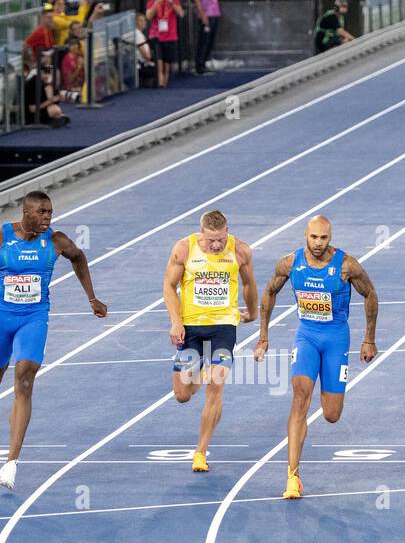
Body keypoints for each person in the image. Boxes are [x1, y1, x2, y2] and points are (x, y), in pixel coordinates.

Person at [0, 191, 108, 490]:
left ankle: (11, 462)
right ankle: (14, 415)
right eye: (42, 212)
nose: (48, 218)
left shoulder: (56, 241)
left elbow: (79, 258)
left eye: (50, 212)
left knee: (24, 378)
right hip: (1, 319)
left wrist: (92, 297)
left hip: (34, 319)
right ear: (26, 212)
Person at [253, 216, 379, 498]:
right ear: (305, 236)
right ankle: (292, 477)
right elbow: (270, 292)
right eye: (314, 237)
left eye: (323, 238)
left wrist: (369, 338)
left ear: (330, 237)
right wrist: (263, 336)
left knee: (332, 414)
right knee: (300, 400)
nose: (319, 243)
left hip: (336, 339)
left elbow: (370, 294)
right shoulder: (289, 264)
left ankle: (295, 471)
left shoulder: (347, 266)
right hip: (307, 337)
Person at [162, 210, 258, 472]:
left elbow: (249, 284)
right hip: (191, 327)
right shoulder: (184, 249)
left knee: (216, 385)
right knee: (182, 394)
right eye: (211, 240)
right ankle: (202, 371)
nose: (217, 245)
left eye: (221, 240)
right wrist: (175, 321)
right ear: (201, 233)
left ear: (227, 231)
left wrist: (253, 311)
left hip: (223, 326)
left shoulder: (240, 251)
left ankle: (200, 453)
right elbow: (169, 286)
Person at [146, 0, 184, 87]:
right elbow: (148, 16)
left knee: (167, 62)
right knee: (159, 60)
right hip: (156, 35)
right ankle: (160, 83)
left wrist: (170, 1)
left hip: (170, 35)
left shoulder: (174, 0)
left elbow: (180, 14)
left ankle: (165, 82)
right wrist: (157, 2)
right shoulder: (152, 2)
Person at [189, 0, 221, 75]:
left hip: (215, 12)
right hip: (206, 13)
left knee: (211, 40)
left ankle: (205, 62)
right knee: (203, 40)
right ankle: (199, 65)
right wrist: (202, 15)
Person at [23, 50, 70, 126]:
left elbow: (52, 100)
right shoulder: (33, 82)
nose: (48, 76)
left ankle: (54, 119)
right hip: (30, 114)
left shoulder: (46, 82)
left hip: (41, 108)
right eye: (46, 73)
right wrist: (50, 101)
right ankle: (53, 119)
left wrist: (56, 98)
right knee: (56, 110)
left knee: (56, 109)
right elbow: (32, 109)